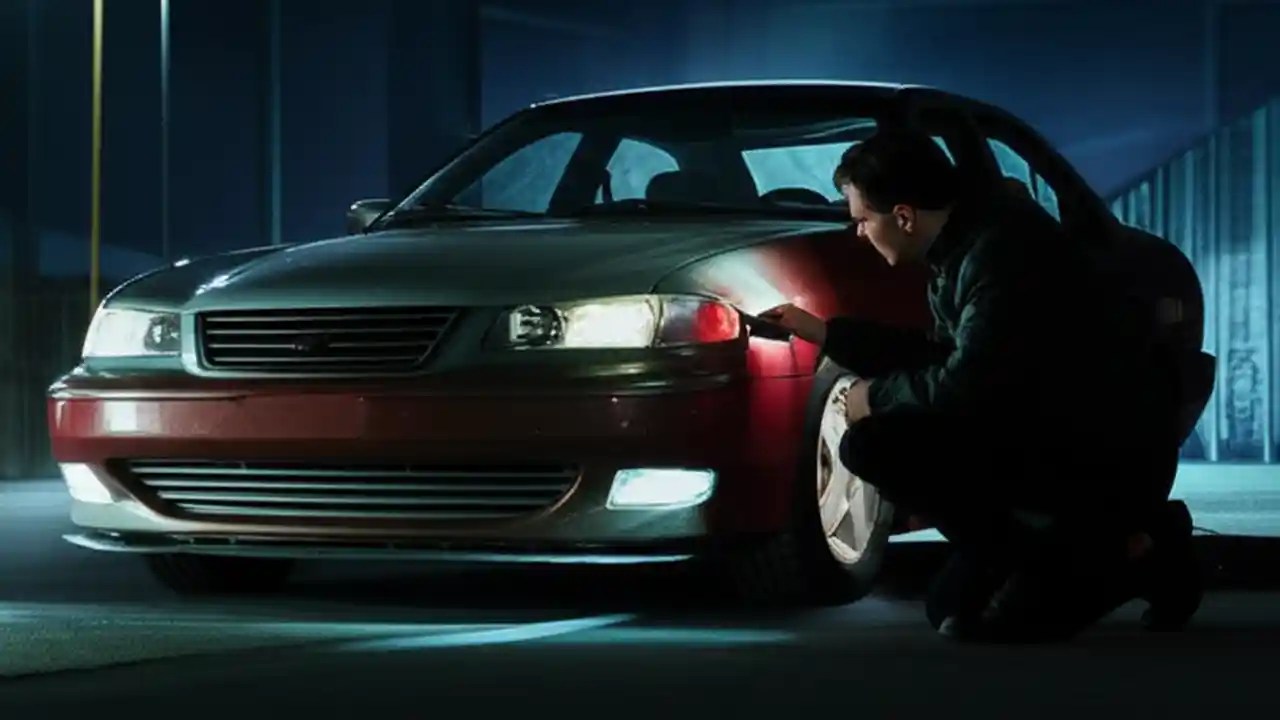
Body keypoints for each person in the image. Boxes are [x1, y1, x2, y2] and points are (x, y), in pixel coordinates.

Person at [759, 128, 1201, 643]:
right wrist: (824, 332)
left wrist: (873, 397)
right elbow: (947, 354)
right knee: (949, 607)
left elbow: (968, 383)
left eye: (862, 220)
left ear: (902, 216)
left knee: (878, 447)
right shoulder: (962, 249)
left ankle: (1133, 548)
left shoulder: (1001, 255)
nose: (858, 233)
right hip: (1046, 435)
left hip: (1098, 456)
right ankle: (1084, 554)